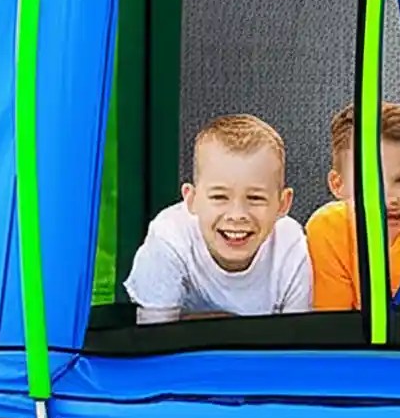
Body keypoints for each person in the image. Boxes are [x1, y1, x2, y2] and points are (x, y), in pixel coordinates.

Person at [123, 114, 312, 324]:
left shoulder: (291, 248)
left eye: (256, 198)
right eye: (219, 197)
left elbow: (295, 341)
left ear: (283, 204)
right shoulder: (169, 238)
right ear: (191, 199)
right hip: (185, 355)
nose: (237, 215)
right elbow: (152, 336)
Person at [305, 102, 400, 311]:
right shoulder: (326, 229)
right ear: (338, 185)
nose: (388, 199)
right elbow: (335, 326)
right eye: (371, 182)